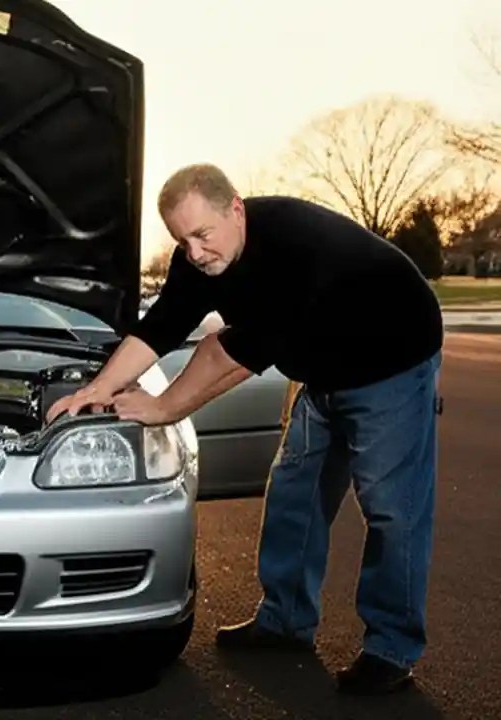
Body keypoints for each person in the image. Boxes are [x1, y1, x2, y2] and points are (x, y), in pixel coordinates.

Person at [45, 163, 444, 695]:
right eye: (182, 240)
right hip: (322, 368)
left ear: (236, 208)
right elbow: (163, 323)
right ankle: (285, 621)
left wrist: (164, 408)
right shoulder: (200, 260)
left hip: (392, 359)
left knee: (393, 508)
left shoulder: (294, 248)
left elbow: (226, 357)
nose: (194, 252)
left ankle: (391, 648)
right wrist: (100, 388)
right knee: (293, 493)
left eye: (202, 235)